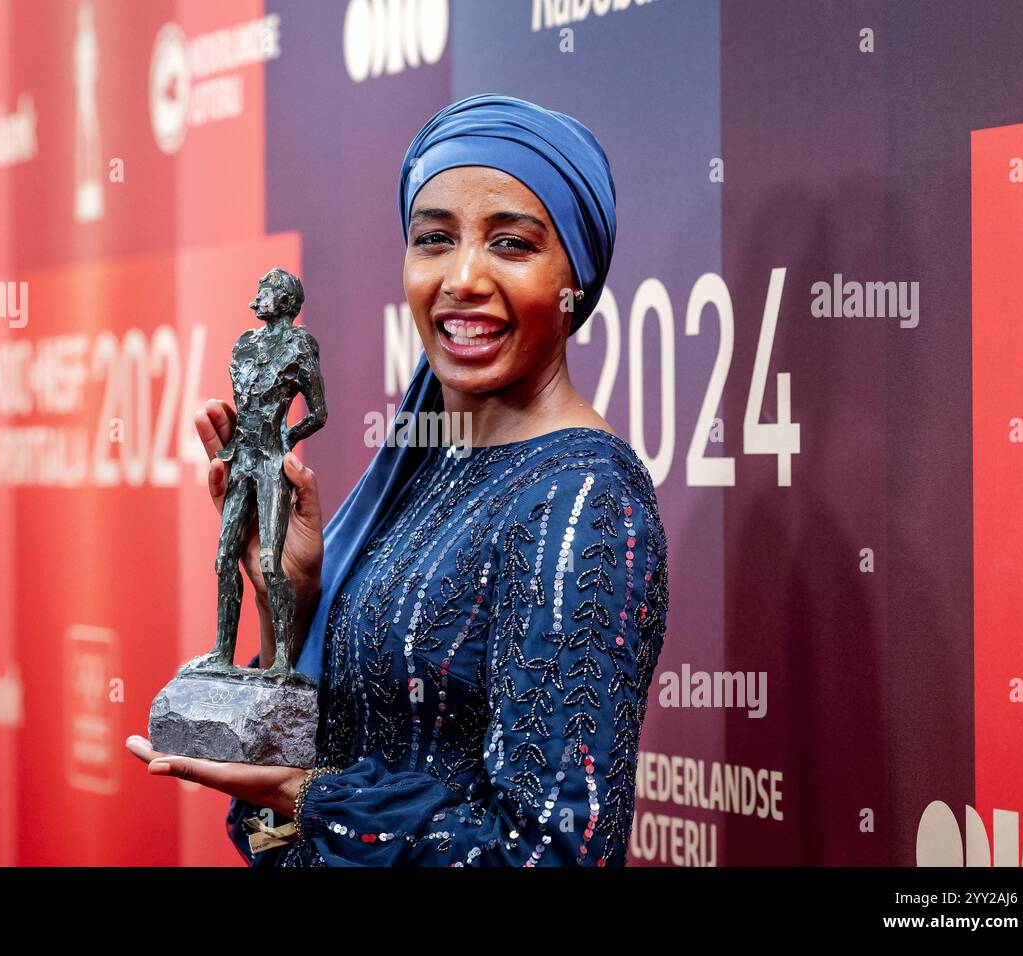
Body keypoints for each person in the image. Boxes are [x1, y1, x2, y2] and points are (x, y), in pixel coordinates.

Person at [126, 93, 670, 867]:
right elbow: (358, 734)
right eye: (434, 240)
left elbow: (551, 852)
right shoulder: (426, 464)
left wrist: (310, 799)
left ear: (573, 279)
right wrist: (297, 601)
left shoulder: (582, 500)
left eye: (511, 244)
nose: (463, 278)